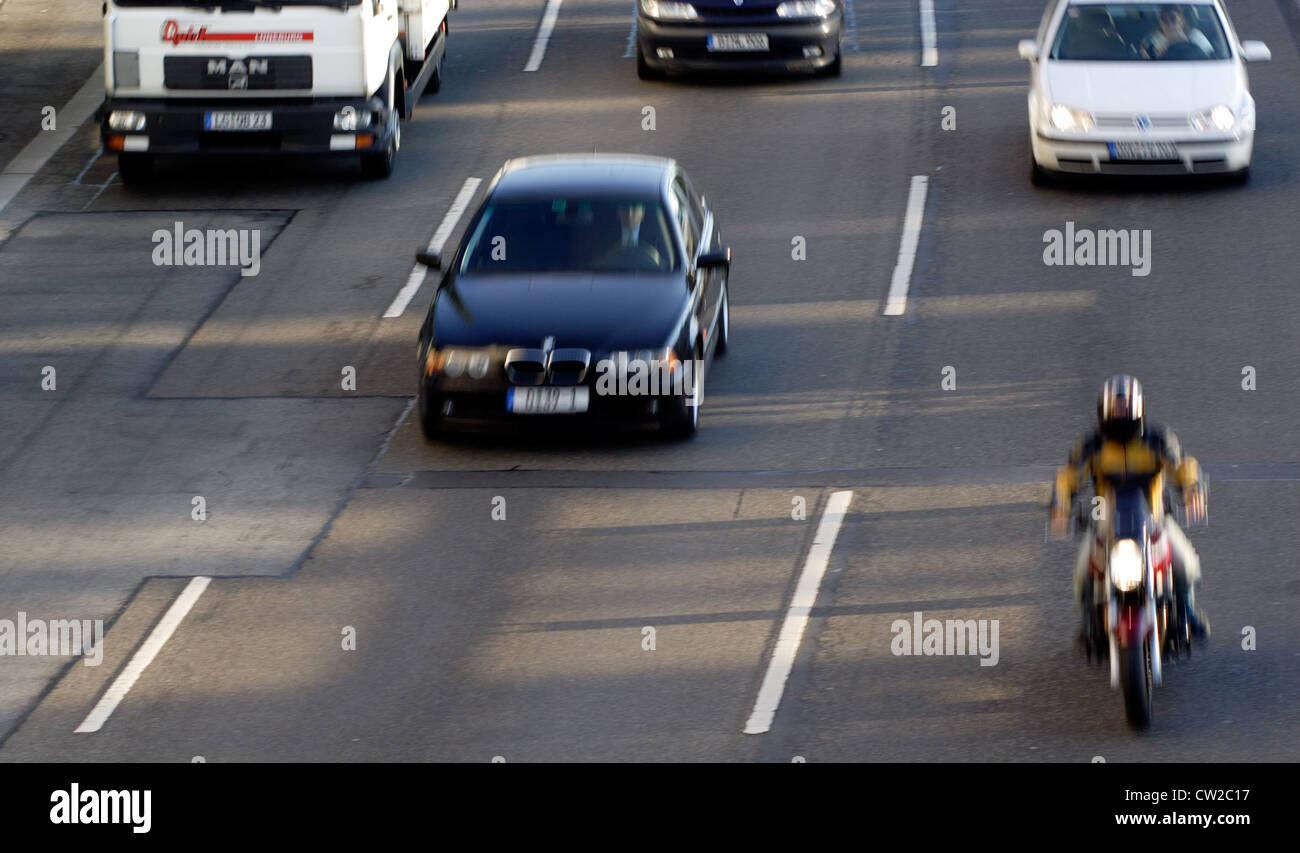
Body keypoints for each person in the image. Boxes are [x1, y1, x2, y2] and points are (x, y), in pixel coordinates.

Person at [1051, 376, 1210, 650]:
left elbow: (1183, 467)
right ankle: (1090, 620)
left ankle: (1188, 612)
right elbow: (1067, 478)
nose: (1121, 416)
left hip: (1155, 518)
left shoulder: (1158, 439)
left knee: (1185, 564)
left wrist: (1192, 490)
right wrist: (1060, 506)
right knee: (1083, 574)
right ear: (1103, 412)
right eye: (1116, 410)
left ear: (1139, 410)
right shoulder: (1092, 445)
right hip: (1105, 522)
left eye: (1127, 410)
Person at [594, 203, 663, 270]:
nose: (629, 214)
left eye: (634, 209)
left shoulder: (659, 233)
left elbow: (667, 265)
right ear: (618, 213)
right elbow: (595, 264)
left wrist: (655, 257)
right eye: (625, 209)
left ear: (643, 213)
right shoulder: (604, 233)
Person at [1141, 6, 1212, 58]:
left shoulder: (1195, 35)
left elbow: (1209, 57)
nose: (1169, 23)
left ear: (1181, 20)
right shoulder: (1154, 41)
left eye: (1172, 18)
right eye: (1164, 19)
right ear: (1160, 23)